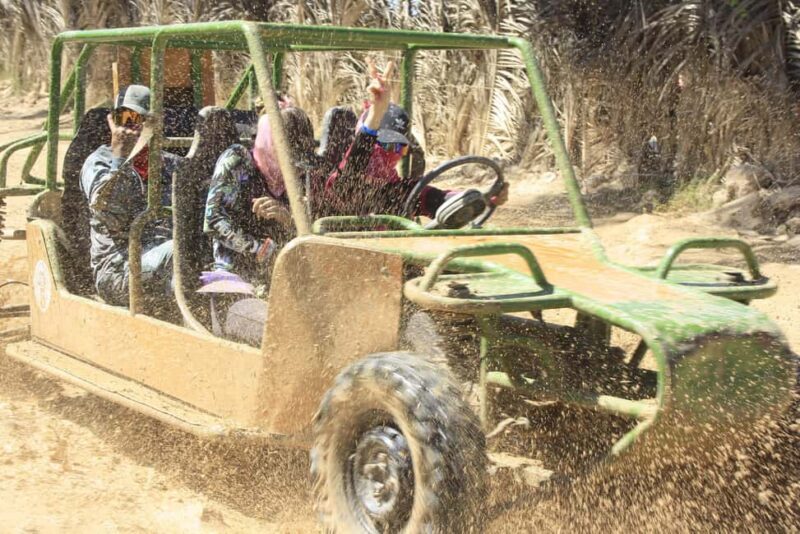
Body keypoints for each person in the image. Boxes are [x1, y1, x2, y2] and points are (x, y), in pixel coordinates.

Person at [312, 59, 509, 222]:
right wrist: (376, 115)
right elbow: (354, 166)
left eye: (398, 147)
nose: (390, 153)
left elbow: (440, 200)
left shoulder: (398, 191)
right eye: (384, 144)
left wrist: (485, 199)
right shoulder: (339, 184)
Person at [80, 84, 179, 307]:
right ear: (113, 121)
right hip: (118, 268)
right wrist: (120, 155)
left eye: (141, 120)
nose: (133, 127)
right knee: (179, 250)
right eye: (126, 117)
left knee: (198, 246)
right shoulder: (99, 163)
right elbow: (108, 214)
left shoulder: (169, 164)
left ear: (155, 124)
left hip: (163, 262)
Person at [203, 105, 320, 291]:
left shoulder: (302, 176)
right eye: (290, 156)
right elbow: (213, 219)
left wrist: (289, 218)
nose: (297, 168)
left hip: (283, 278)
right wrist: (261, 250)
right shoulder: (237, 160)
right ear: (271, 146)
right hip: (232, 277)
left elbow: (310, 234)